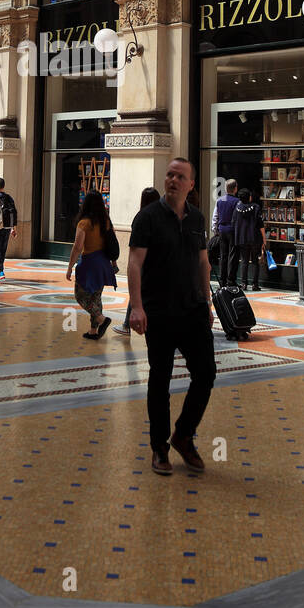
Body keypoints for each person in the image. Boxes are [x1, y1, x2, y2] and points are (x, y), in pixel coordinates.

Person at [128, 158, 215, 476]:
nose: (173, 180)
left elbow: (203, 263)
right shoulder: (147, 218)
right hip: (160, 310)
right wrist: (137, 307)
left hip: (192, 309)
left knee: (206, 374)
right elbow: (135, 263)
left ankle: (183, 435)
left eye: (180, 176)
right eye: (169, 175)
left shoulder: (197, 219)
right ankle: (159, 448)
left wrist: (207, 302)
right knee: (160, 379)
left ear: (191, 184)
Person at [66, 189, 117, 340]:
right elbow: (112, 243)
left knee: (81, 295)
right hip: (103, 263)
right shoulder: (106, 221)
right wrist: (113, 263)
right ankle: (93, 331)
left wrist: (70, 267)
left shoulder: (84, 223)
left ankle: (102, 320)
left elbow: (77, 247)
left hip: (89, 264)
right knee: (96, 297)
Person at [114, 186, 161, 335]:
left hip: (144, 263)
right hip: (159, 263)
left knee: (137, 293)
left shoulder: (140, 218)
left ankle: (127, 324)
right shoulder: (163, 217)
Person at [231, 188, 265, 291]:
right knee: (255, 261)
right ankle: (255, 284)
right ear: (249, 197)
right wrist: (264, 238)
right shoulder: (255, 207)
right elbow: (260, 224)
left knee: (244, 261)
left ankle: (244, 283)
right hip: (254, 237)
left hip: (241, 238)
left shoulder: (237, 208)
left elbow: (233, 223)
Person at [212, 178, 239, 286]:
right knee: (232, 256)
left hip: (222, 230)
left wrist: (215, 230)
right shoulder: (237, 202)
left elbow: (215, 216)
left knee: (223, 255)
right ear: (235, 188)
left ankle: (222, 280)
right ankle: (230, 280)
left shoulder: (220, 200)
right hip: (232, 230)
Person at [0, 177, 18, 278]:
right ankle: (0, 270)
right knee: (3, 248)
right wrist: (14, 227)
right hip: (7, 226)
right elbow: (14, 212)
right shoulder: (9, 198)